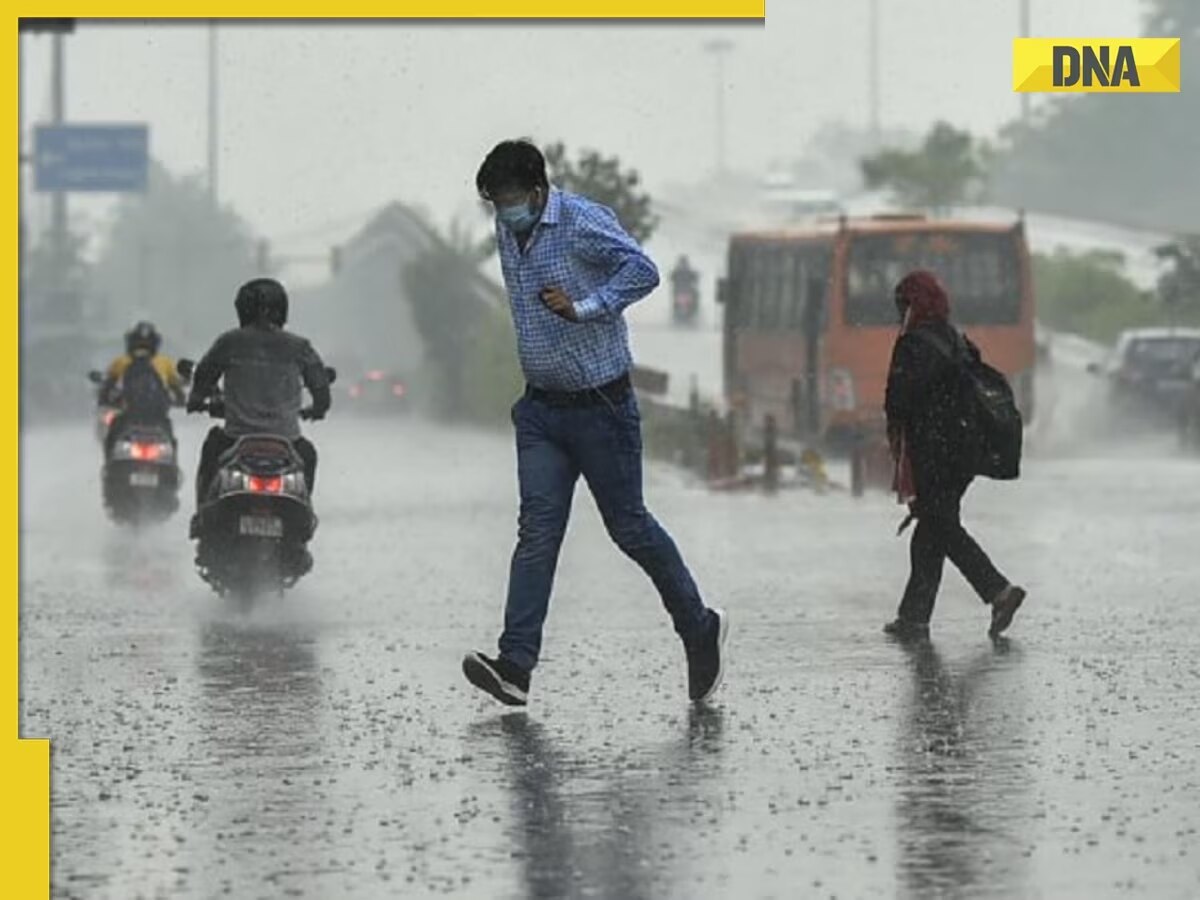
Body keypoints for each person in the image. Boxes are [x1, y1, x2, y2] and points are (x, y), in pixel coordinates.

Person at [462, 139, 729, 707]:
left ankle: (698, 626)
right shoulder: (508, 231)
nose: (504, 213)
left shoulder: (581, 222)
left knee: (629, 528)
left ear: (538, 191)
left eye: (510, 200)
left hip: (602, 408)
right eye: (495, 204)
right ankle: (516, 665)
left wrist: (584, 306)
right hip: (541, 412)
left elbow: (644, 271)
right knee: (537, 533)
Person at [882, 269, 1026, 640]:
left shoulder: (913, 345)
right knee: (931, 529)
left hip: (933, 452)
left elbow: (898, 401)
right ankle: (913, 618)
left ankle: (999, 591)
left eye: (902, 305)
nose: (899, 314)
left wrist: (896, 437)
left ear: (912, 306)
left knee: (941, 527)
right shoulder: (956, 340)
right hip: (964, 453)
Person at [186, 278, 330, 519]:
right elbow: (320, 386)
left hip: (234, 438)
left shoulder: (229, 342)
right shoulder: (299, 347)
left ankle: (202, 516)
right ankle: (302, 517)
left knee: (212, 449)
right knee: (308, 455)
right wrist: (319, 408)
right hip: (287, 440)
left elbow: (204, 376)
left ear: (242, 309)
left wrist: (196, 400)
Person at [100, 321, 186, 454]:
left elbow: (107, 388)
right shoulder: (165, 363)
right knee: (170, 438)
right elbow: (177, 390)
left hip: (129, 415)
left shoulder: (120, 362)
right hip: (158, 416)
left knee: (113, 435)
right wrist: (180, 400)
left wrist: (107, 400)